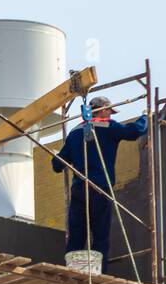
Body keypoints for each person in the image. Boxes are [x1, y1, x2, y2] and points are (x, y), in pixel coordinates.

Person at [51, 95, 148, 273]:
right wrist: (145, 116)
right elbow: (134, 131)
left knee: (77, 234)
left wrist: (57, 155)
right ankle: (98, 272)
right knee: (100, 234)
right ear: (102, 110)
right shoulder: (108, 127)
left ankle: (73, 271)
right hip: (100, 188)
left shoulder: (74, 133)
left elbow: (57, 165)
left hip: (79, 189)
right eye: (109, 111)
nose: (110, 115)